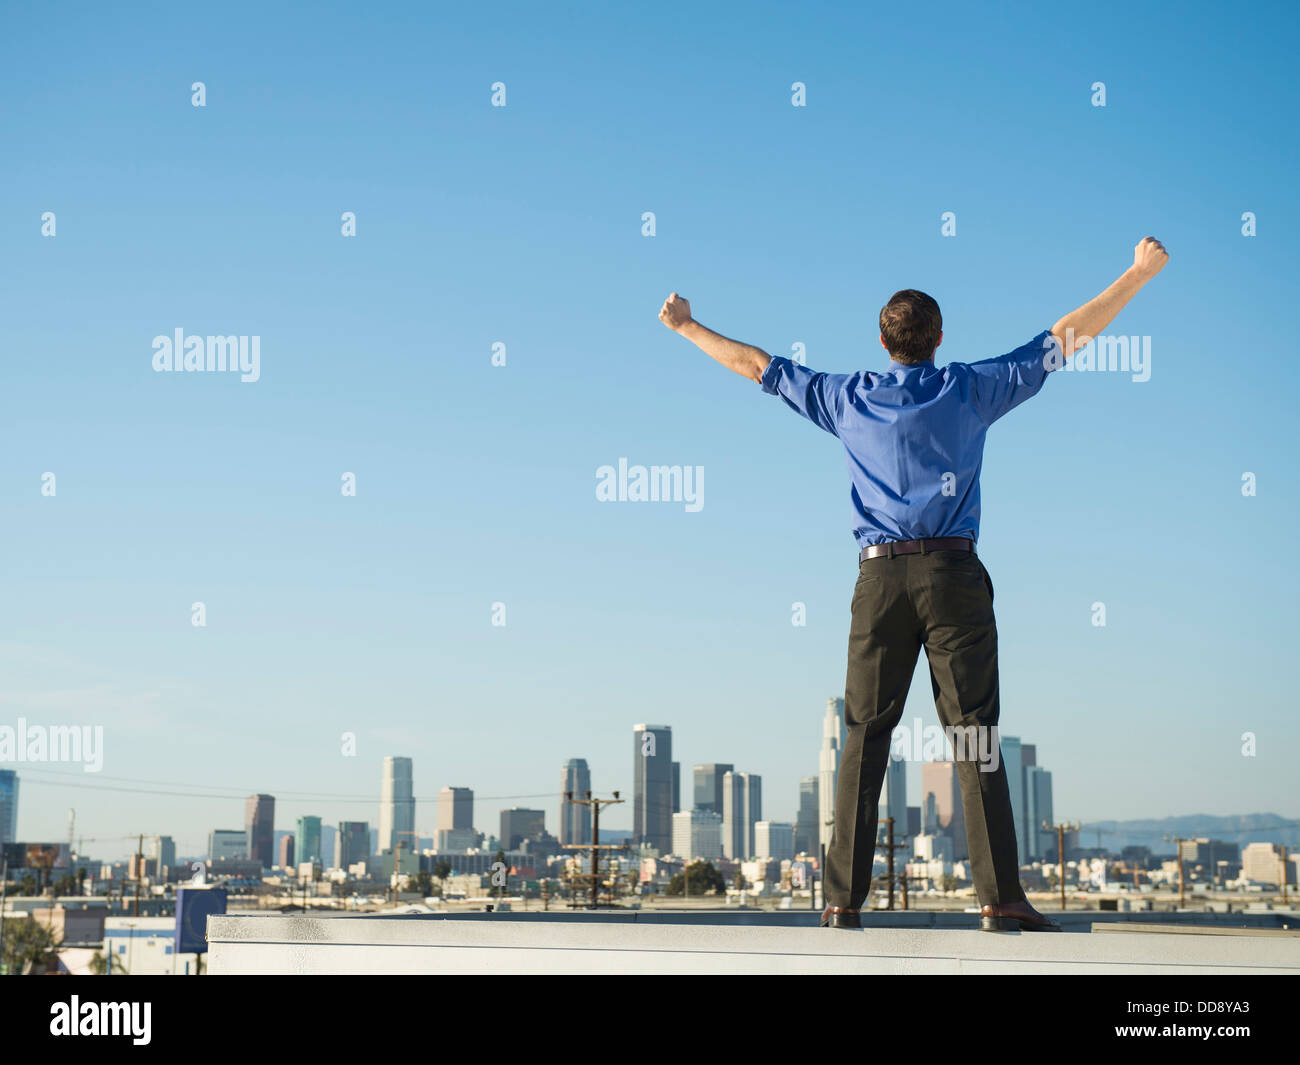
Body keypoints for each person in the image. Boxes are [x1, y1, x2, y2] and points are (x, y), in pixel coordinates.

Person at [658, 237, 1169, 932]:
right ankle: (1000, 899)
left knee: (864, 736)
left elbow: (757, 366)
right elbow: (1063, 341)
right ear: (937, 339)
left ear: (881, 341)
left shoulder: (846, 396)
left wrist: (688, 326)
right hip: (953, 572)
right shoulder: (970, 387)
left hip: (878, 580)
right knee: (974, 735)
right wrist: (1136, 275)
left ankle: (840, 900)